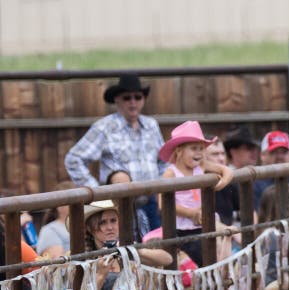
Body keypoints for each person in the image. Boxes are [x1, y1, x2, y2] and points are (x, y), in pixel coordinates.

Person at [64, 74, 164, 236]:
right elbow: (74, 159)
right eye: (127, 98)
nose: (133, 102)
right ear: (117, 100)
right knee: (123, 247)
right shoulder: (104, 127)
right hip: (118, 205)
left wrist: (161, 189)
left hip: (150, 202)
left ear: (143, 99)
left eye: (138, 97)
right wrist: (97, 193)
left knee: (158, 247)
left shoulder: (151, 125)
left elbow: (163, 161)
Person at [158, 120, 234, 267]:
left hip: (202, 223)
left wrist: (222, 183)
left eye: (201, 148)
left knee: (214, 255)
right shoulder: (171, 173)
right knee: (198, 260)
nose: (199, 153)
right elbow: (163, 204)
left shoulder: (202, 166)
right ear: (179, 150)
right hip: (180, 229)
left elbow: (227, 170)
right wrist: (191, 213)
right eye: (193, 148)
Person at [253, 131, 289, 236]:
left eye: (284, 152)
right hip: (273, 239)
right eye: (274, 152)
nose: (279, 156)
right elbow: (256, 221)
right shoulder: (255, 184)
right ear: (262, 155)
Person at [205, 138, 241, 227]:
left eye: (223, 153)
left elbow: (249, 210)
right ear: (202, 158)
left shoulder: (230, 180)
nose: (221, 158)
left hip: (229, 232)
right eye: (215, 154)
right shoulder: (194, 183)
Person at [36, 181, 74, 259]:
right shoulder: (50, 230)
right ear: (59, 206)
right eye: (72, 201)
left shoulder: (86, 224)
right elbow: (58, 262)